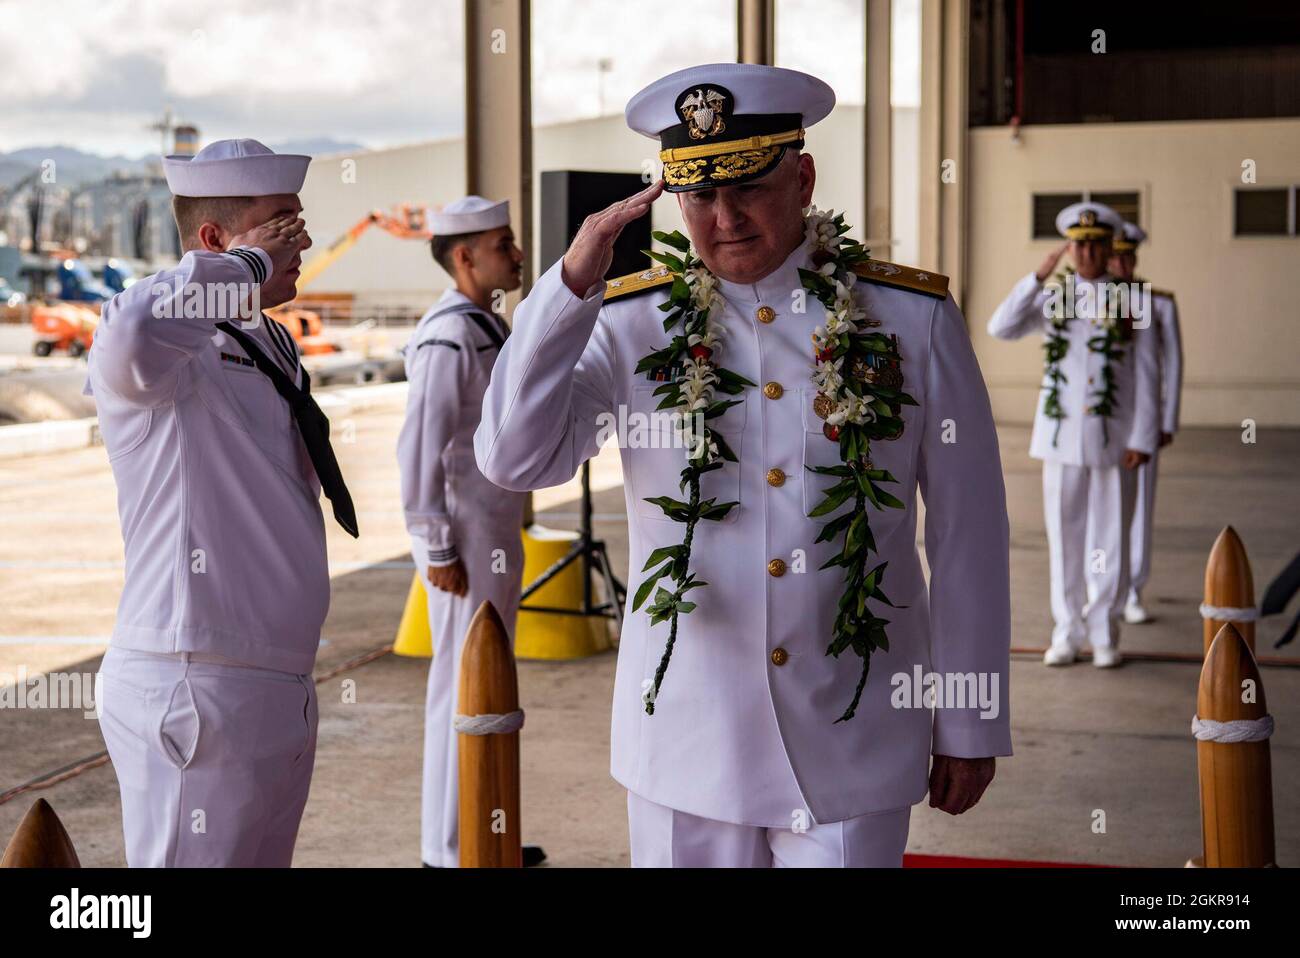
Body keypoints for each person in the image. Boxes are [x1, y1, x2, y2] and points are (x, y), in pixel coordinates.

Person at [475, 63, 1011, 867]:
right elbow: (514, 458)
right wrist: (569, 286)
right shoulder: (629, 322)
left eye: (750, 188)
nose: (724, 218)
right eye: (698, 197)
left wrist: (970, 721)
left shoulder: (910, 318)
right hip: (687, 742)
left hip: (851, 735)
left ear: (802, 177)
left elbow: (970, 533)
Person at [87, 138, 358, 866]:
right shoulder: (171, 346)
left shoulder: (269, 338)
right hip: (196, 683)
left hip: (272, 679)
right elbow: (131, 334)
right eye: (280, 226)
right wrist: (247, 265)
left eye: (299, 225)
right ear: (214, 243)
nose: (299, 243)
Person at [397, 196, 542, 867]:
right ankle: (448, 848)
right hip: (466, 539)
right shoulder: (447, 336)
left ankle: (486, 829)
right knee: (461, 688)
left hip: (494, 532)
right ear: (465, 256)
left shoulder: (486, 325)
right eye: (503, 243)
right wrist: (436, 546)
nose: (516, 254)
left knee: (488, 686)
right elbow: (418, 450)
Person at [988, 202, 1159, 668]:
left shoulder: (1133, 301)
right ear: (1070, 249)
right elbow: (999, 327)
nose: (1086, 253)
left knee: (1108, 540)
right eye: (1078, 245)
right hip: (1062, 437)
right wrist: (1038, 276)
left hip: (1113, 438)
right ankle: (1067, 630)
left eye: (1095, 244)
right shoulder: (1055, 297)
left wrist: (1143, 437)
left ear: (1108, 248)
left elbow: (1147, 374)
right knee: (1065, 538)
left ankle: (1104, 632)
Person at [1108, 222, 1182, 624]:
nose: (1120, 263)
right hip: (1104, 425)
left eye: (1126, 255)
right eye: (1114, 255)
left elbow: (1172, 367)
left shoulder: (1158, 304)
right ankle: (1104, 588)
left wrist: (1165, 421)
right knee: (1103, 511)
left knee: (1140, 509)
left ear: (1134, 259)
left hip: (1145, 420)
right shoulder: (1090, 301)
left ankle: (1134, 589)